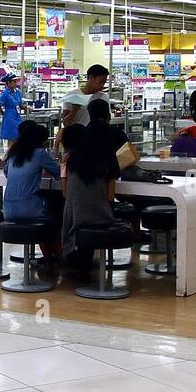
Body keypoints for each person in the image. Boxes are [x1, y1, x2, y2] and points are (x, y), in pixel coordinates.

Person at [61, 110, 120, 275]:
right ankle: (88, 266)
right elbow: (110, 197)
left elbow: (67, 192)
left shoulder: (72, 158)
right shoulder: (107, 160)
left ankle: (78, 264)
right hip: (98, 217)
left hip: (72, 218)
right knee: (106, 211)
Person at [2, 120, 61, 267]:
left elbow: (7, 173)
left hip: (8, 210)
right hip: (30, 209)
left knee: (46, 211)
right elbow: (60, 173)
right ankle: (57, 258)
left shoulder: (13, 155)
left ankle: (49, 259)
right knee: (56, 215)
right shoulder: (40, 154)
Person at [60, 64, 110, 130]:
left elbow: (107, 121)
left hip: (95, 137)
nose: (102, 85)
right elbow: (65, 123)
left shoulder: (104, 97)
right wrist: (74, 110)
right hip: (76, 137)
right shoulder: (72, 95)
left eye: (104, 82)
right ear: (91, 77)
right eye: (101, 82)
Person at [0, 74, 26, 156]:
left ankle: (14, 155)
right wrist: (4, 114)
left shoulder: (18, 92)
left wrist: (27, 108)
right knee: (11, 138)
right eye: (13, 81)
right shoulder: (5, 93)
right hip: (9, 117)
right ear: (8, 83)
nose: (15, 83)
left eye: (16, 81)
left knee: (18, 136)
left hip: (17, 116)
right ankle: (10, 156)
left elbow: (20, 105)